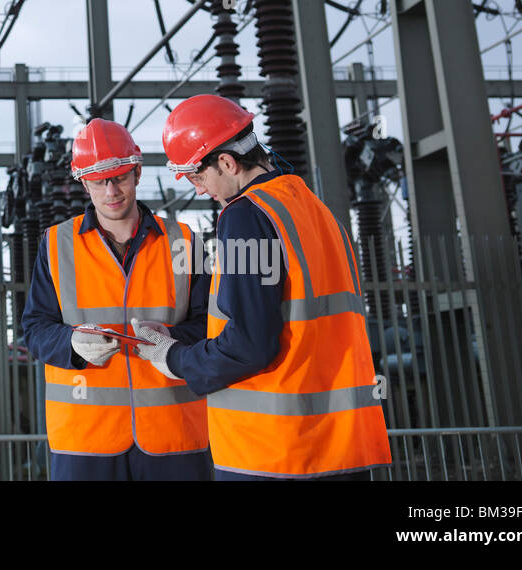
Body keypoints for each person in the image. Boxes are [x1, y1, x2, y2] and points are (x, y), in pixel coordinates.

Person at [132, 94, 391, 480]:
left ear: (226, 162)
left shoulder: (245, 216)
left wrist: (174, 358)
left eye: (198, 176)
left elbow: (249, 345)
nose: (201, 190)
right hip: (340, 445)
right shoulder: (313, 209)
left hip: (273, 450)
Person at [21, 118, 211, 481]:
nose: (111, 191)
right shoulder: (57, 244)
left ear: (137, 173)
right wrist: (72, 343)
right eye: (98, 181)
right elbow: (35, 328)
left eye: (120, 177)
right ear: (83, 182)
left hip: (174, 433)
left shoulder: (185, 241)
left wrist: (172, 341)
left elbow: (210, 324)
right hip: (86, 438)